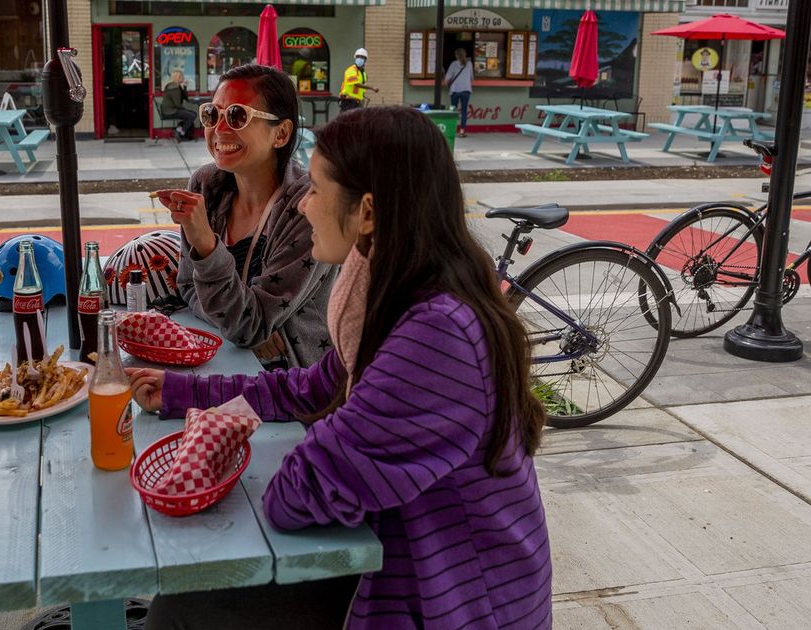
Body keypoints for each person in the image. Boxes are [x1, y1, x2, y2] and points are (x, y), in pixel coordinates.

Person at [130, 106, 551, 629]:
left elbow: (296, 494)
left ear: (367, 212)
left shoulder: (438, 334)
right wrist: (180, 393)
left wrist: (323, 437)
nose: (304, 205)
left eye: (318, 190)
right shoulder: (395, 286)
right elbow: (307, 390)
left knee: (184, 607)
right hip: (397, 554)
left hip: (445, 598)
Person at [152, 63, 335, 370]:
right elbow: (187, 288)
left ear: (281, 133)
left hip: (293, 383)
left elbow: (249, 325)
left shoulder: (308, 207)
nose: (219, 129)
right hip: (221, 358)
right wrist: (243, 326)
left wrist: (207, 247)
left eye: (237, 116)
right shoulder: (206, 186)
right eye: (212, 114)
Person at [160, 69, 199, 142]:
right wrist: (185, 110)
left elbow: (185, 98)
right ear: (178, 77)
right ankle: (181, 130)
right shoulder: (174, 88)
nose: (183, 78)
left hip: (170, 110)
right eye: (182, 76)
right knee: (192, 115)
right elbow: (177, 104)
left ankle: (182, 130)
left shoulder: (176, 86)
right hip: (170, 111)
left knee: (191, 115)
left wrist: (184, 87)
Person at [445, 47, 474, 137]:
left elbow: (447, 79)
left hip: (455, 91)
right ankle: (462, 132)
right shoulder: (469, 64)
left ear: (456, 55)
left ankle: (451, 129)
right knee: (464, 111)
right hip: (466, 91)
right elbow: (472, 78)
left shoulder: (453, 64)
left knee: (453, 110)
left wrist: (448, 86)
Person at [339, 47, 379, 112]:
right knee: (347, 121)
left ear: (365, 60)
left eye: (362, 57)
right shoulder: (351, 70)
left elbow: (361, 88)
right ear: (355, 58)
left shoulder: (363, 73)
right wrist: (372, 87)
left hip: (356, 102)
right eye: (358, 56)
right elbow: (356, 84)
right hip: (348, 102)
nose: (360, 58)